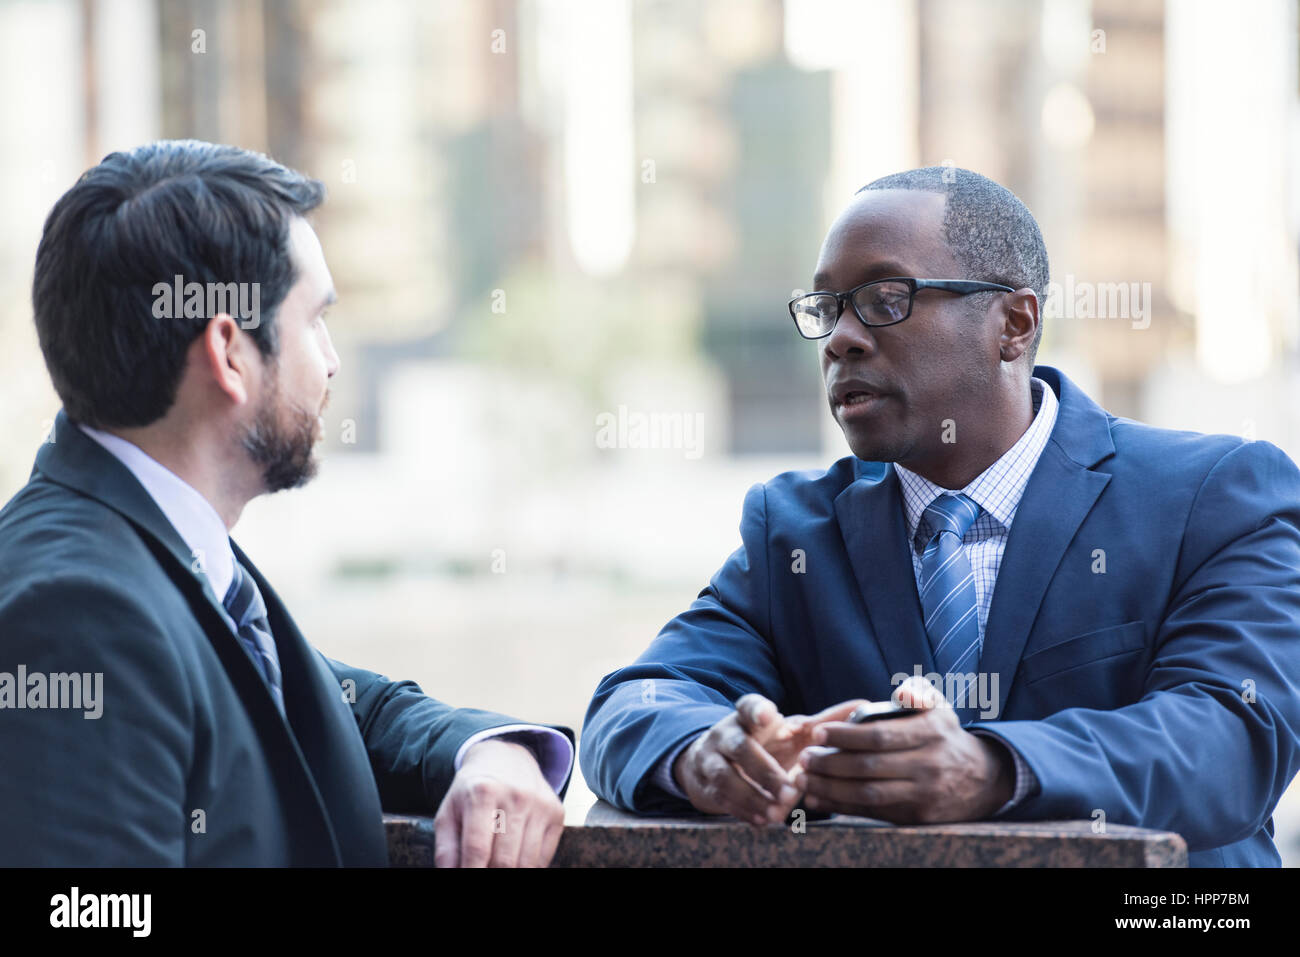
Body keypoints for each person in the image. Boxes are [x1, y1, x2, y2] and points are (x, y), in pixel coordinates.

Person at [579, 166, 1300, 867]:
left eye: (885, 298)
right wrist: (702, 754)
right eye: (828, 308)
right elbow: (633, 700)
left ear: (1013, 324)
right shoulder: (793, 533)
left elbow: (1236, 731)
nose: (840, 340)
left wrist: (993, 769)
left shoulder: (1216, 494)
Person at [0, 139, 573, 867]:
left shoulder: (146, 548)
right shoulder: (80, 613)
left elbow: (324, 702)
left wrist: (488, 751)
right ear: (229, 352)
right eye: (315, 320)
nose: (331, 360)